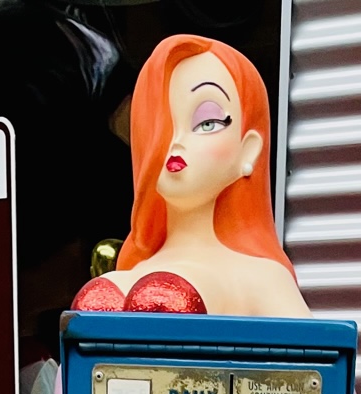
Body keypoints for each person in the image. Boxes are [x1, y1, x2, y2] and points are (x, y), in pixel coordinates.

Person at [69, 35, 307, 318]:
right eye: (160, 124)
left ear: (248, 151)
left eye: (207, 122)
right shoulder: (132, 268)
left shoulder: (261, 277)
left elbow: (315, 347)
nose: (176, 141)